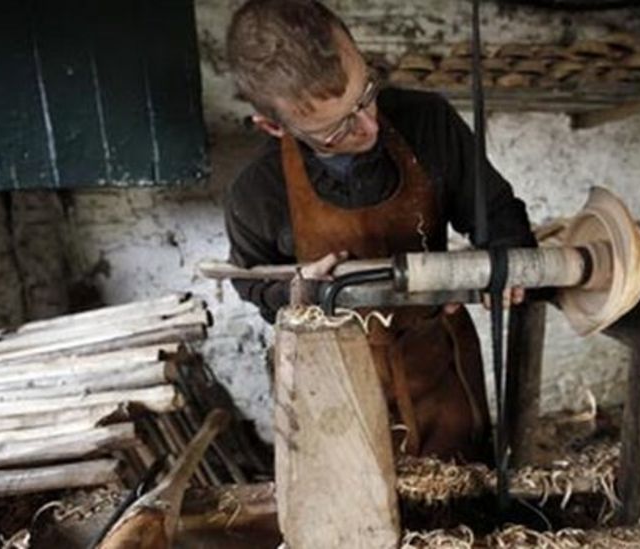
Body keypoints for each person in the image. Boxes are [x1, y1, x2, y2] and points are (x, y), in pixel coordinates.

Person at [224, 0, 536, 464]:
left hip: (438, 369)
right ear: (273, 125)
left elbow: (497, 214)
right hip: (334, 391)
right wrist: (298, 292)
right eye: (337, 127)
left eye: (365, 94)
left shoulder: (428, 122)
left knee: (465, 504)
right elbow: (252, 283)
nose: (368, 125)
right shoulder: (256, 193)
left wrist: (503, 263)